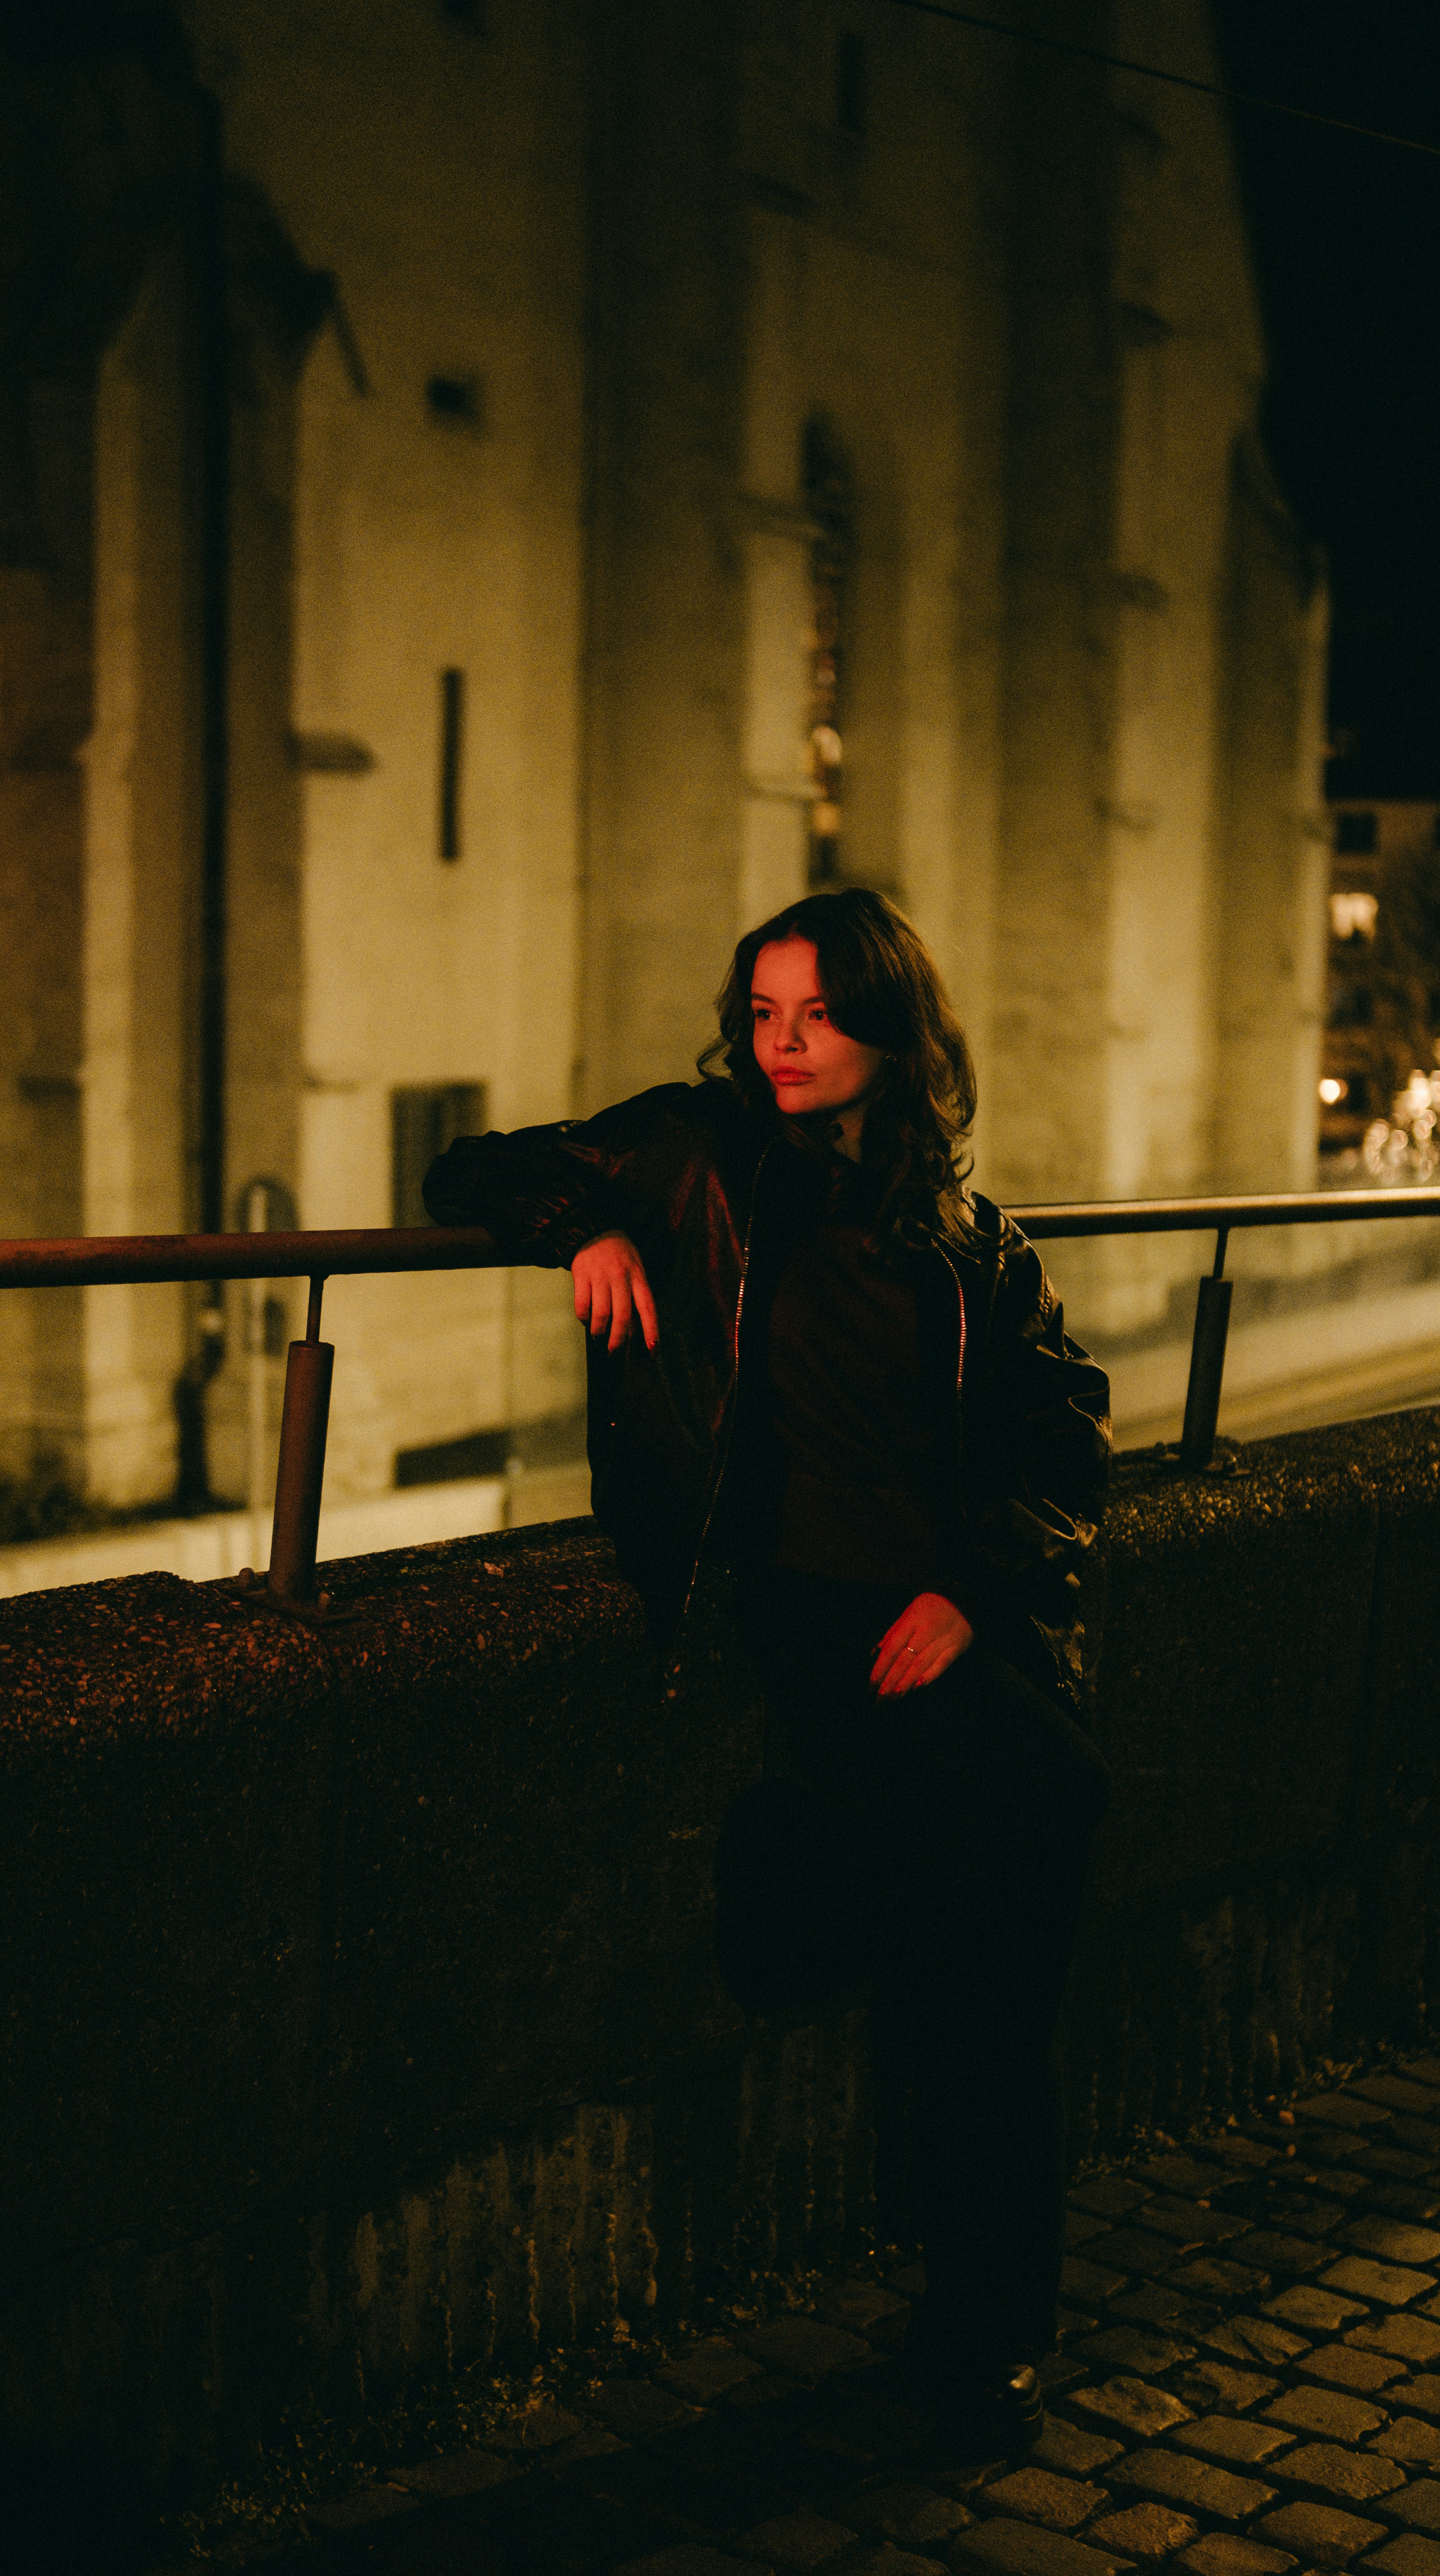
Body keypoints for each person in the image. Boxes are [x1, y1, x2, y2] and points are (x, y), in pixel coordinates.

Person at [423, 886, 1111, 2448]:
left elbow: (1064, 1418)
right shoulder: (698, 1153)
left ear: (893, 1026)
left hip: (922, 1622)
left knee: (980, 1995)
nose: (783, 1045)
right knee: (1041, 1854)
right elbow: (474, 1163)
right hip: (802, 1614)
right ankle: (985, 2329)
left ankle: (980, 2327)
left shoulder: (960, 1234)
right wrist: (583, 1223)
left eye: (816, 1015)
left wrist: (968, 1588)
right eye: (763, 1013)